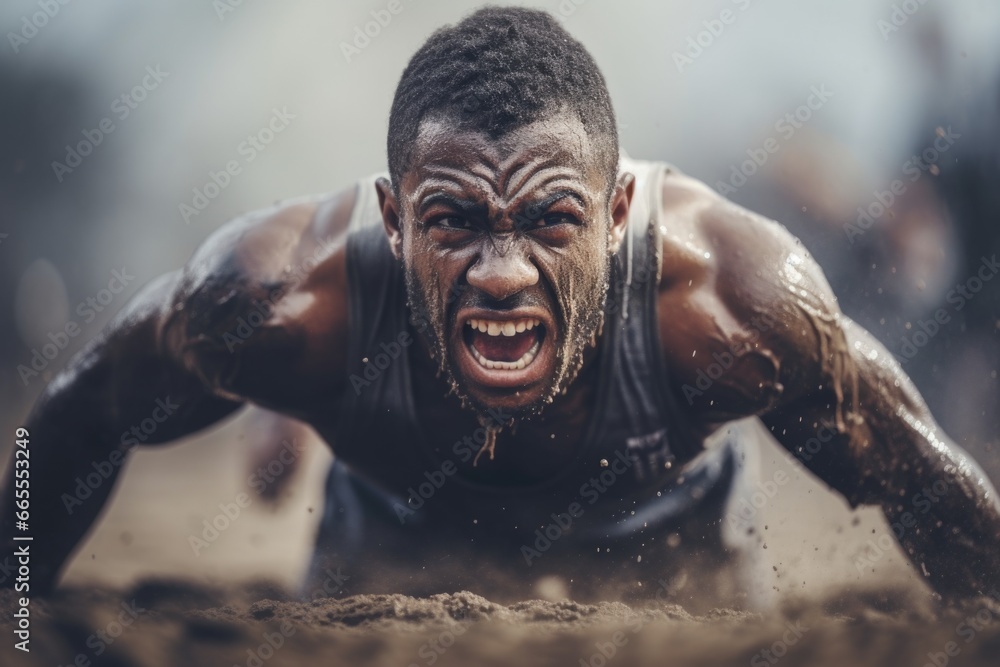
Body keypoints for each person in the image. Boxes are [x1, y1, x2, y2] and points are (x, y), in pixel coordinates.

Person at [3, 7, 998, 607]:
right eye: (455, 223)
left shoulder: (728, 298)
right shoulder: (275, 299)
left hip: (670, 576)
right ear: (392, 220)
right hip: (383, 558)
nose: (503, 271)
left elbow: (918, 471)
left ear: (616, 214)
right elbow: (84, 411)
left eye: (549, 222)